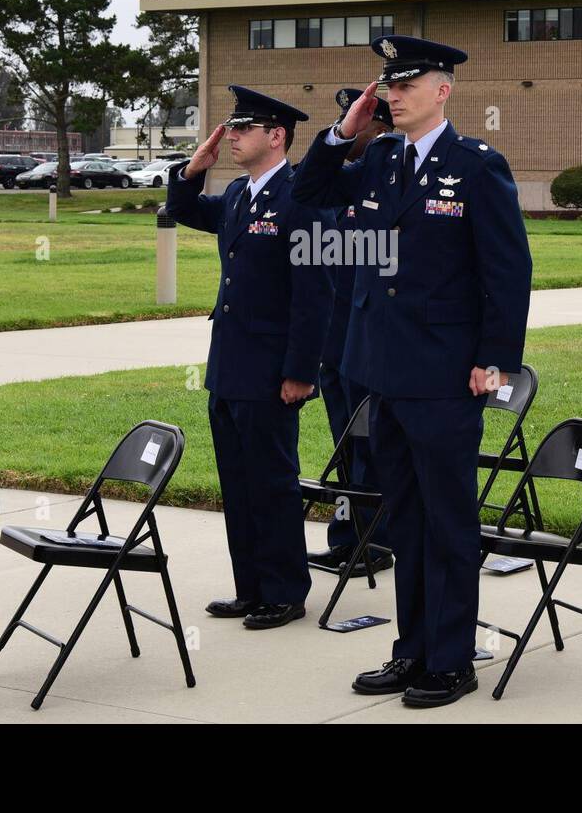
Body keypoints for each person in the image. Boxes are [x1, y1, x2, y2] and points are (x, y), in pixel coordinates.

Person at [293, 36, 532, 707]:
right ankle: (412, 649)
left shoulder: (476, 165)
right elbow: (309, 190)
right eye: (388, 85)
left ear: (443, 89)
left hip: (447, 375)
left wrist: (495, 362)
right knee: (403, 520)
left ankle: (451, 659)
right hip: (382, 370)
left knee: (448, 520)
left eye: (406, 84)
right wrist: (346, 127)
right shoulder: (379, 159)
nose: (393, 95)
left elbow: (508, 273)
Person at [166, 85, 333, 630]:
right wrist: (194, 169)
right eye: (232, 128)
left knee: (273, 482)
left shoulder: (303, 197)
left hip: (271, 370)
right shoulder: (240, 193)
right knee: (238, 484)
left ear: (276, 136)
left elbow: (315, 294)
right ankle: (251, 587)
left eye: (243, 128)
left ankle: (285, 591)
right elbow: (184, 209)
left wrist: (300, 372)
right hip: (230, 366)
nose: (232, 135)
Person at [309, 87, 394, 578]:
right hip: (332, 343)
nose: (348, 127)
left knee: (370, 447)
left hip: (368, 343)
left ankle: (377, 542)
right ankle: (346, 538)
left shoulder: (383, 189)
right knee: (343, 446)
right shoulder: (337, 192)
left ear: (379, 129)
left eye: (356, 121)